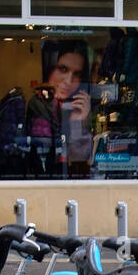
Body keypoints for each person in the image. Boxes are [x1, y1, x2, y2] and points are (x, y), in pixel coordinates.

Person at [42, 39, 93, 174]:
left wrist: (78, 121)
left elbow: (79, 158)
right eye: (63, 69)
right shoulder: (40, 104)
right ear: (50, 69)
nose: (69, 81)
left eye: (77, 74)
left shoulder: (79, 107)